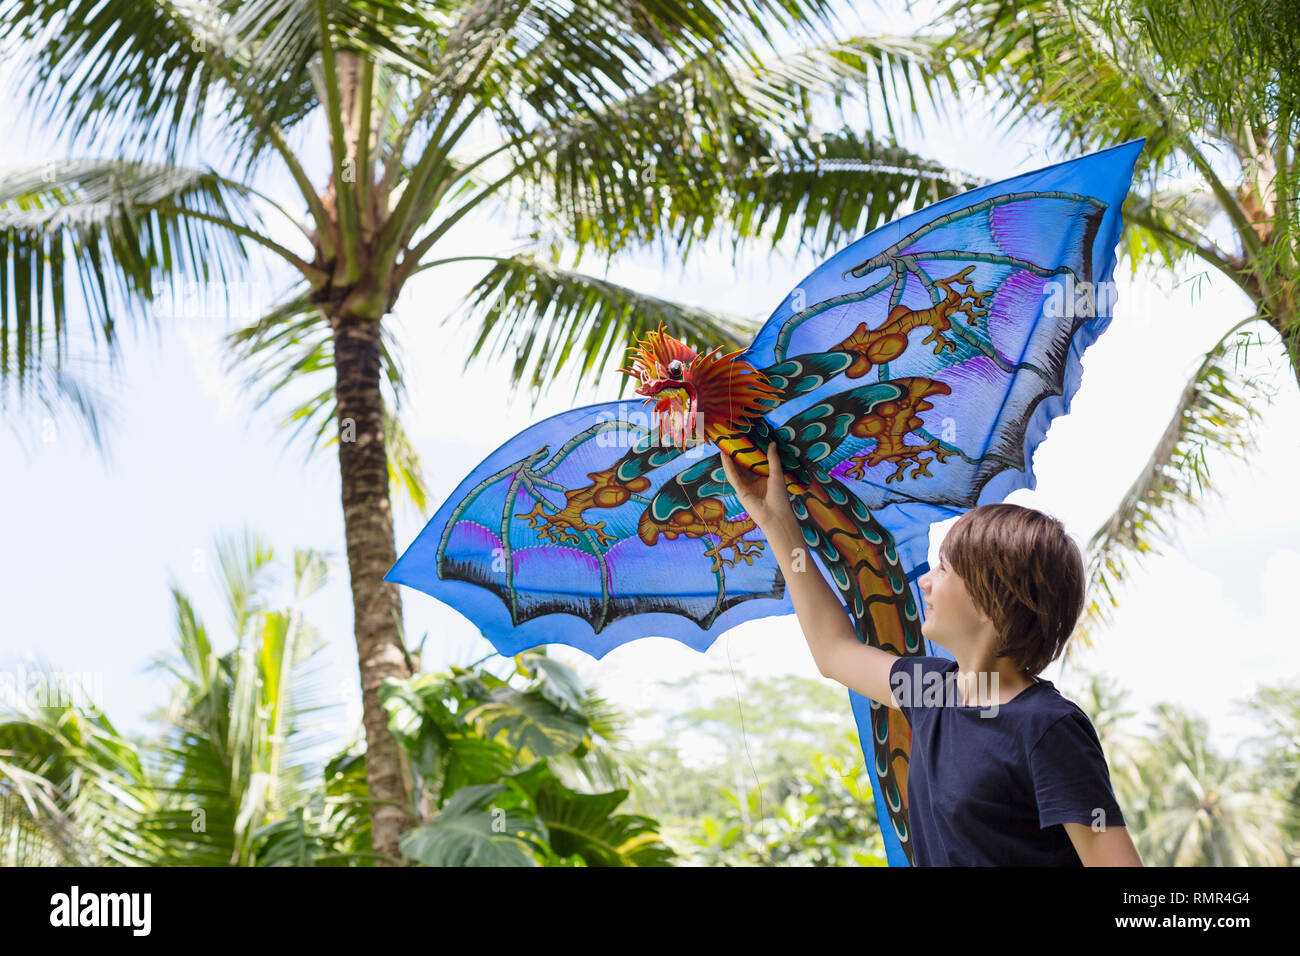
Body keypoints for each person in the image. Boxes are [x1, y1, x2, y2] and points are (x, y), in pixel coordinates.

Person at [719, 440, 1142, 867]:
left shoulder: (1048, 729)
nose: (926, 582)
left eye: (944, 569)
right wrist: (777, 526)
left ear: (987, 600)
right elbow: (833, 650)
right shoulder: (931, 690)